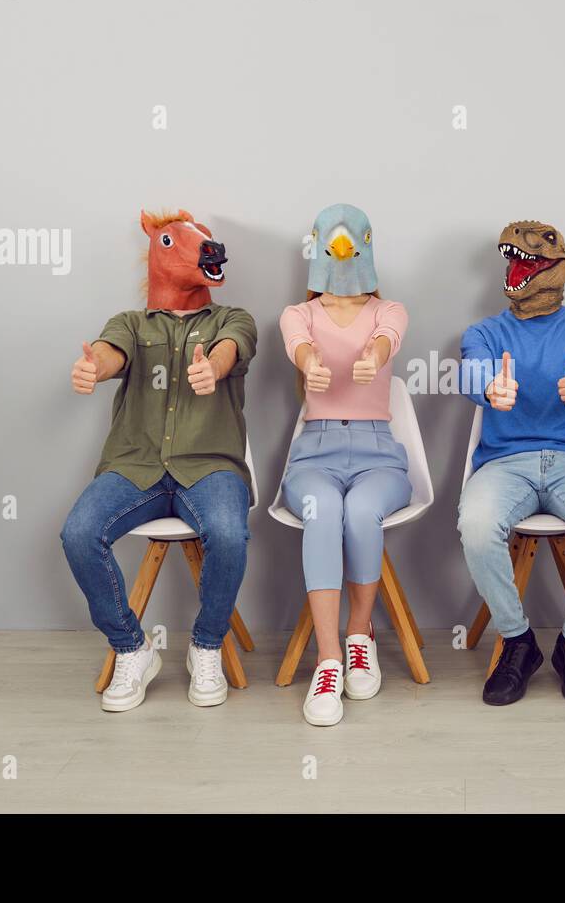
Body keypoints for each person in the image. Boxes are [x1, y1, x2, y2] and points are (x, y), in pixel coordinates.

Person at [61, 209, 256, 712]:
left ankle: (207, 645)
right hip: (136, 466)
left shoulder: (232, 319)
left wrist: (213, 367)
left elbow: (233, 348)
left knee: (230, 534)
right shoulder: (128, 323)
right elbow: (112, 353)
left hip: (210, 465)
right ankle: (132, 648)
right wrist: (93, 367)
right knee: (79, 532)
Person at [457, 220, 565, 707]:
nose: (520, 265)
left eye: (535, 256)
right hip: (504, 462)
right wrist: (489, 387)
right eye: (516, 258)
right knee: (475, 525)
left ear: (558, 266)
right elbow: (471, 368)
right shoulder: (485, 331)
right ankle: (518, 641)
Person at [280, 204, 411, 726]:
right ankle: (328, 659)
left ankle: (361, 634)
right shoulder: (298, 313)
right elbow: (300, 345)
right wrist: (311, 364)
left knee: (360, 512)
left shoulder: (390, 310)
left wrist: (373, 359)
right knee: (323, 509)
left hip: (379, 452)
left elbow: (387, 340)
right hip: (315, 451)